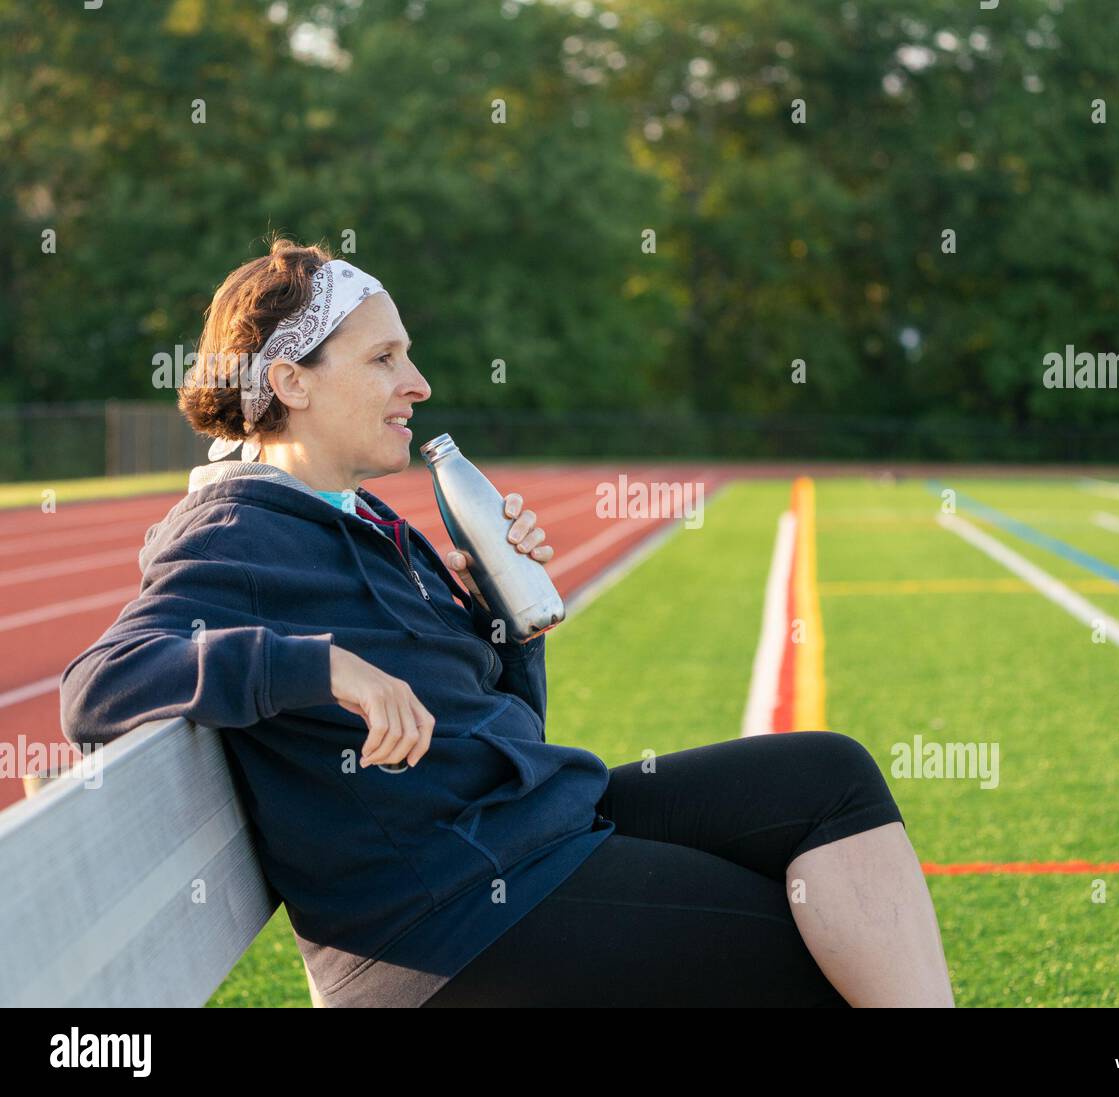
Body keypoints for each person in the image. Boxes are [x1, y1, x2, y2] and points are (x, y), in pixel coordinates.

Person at [60, 237, 954, 1007]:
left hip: (536, 830)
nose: (418, 382)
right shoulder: (234, 529)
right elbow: (96, 686)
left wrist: (501, 613)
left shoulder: (363, 518)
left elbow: (511, 728)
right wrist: (321, 666)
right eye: (383, 359)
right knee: (810, 952)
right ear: (290, 380)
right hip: (452, 918)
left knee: (831, 775)